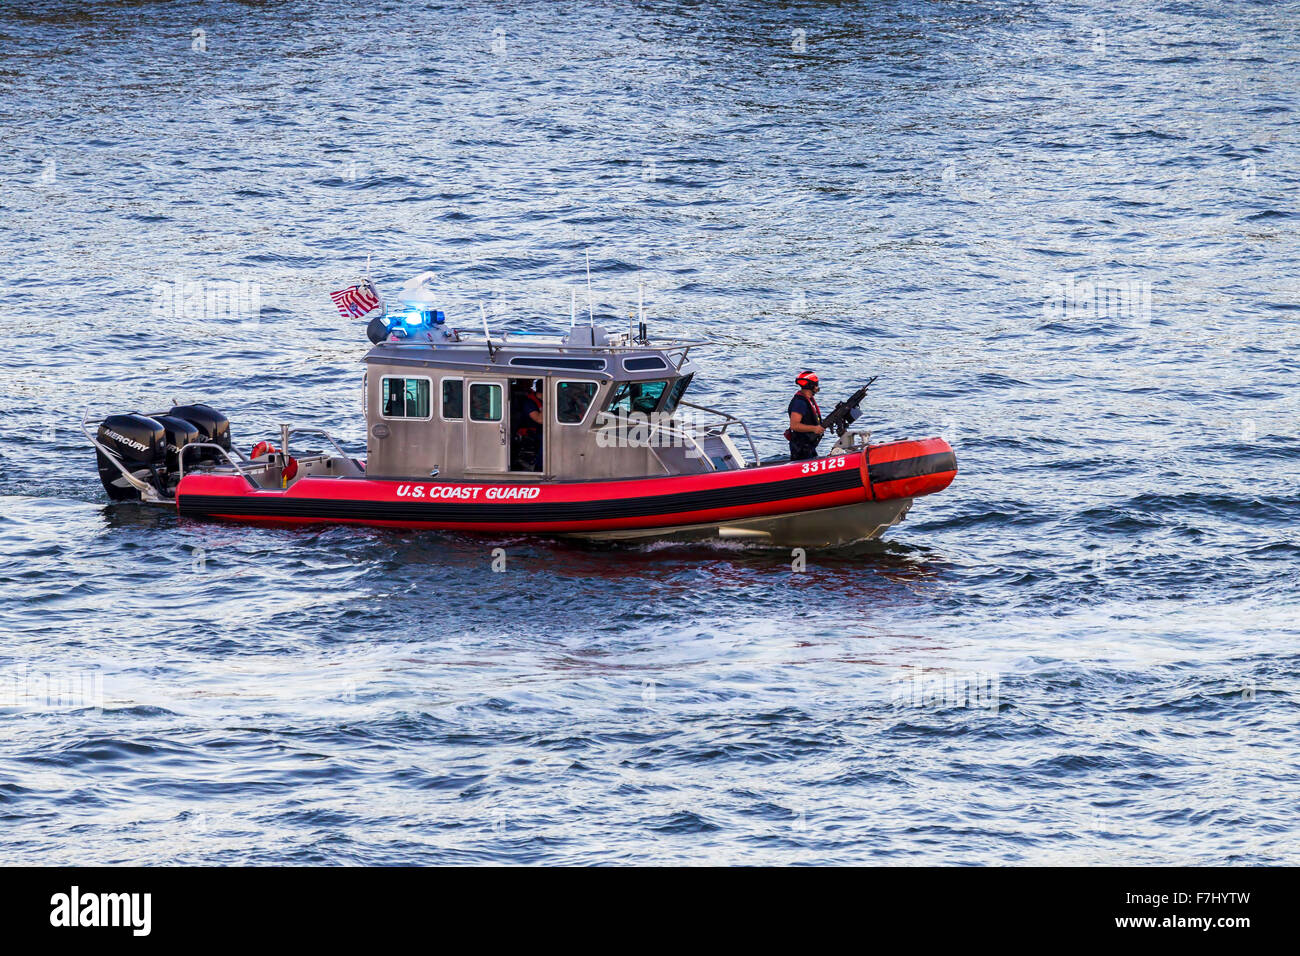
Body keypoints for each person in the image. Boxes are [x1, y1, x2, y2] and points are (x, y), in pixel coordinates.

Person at [786, 370, 825, 461]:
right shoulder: (800, 402)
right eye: (816, 384)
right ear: (811, 385)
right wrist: (814, 428)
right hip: (801, 447)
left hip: (809, 446)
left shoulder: (808, 400)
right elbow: (794, 425)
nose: (817, 387)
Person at [511, 379, 544, 471]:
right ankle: (539, 466)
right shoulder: (529, 402)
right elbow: (540, 419)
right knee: (546, 439)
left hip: (544, 429)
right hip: (531, 431)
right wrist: (547, 402)